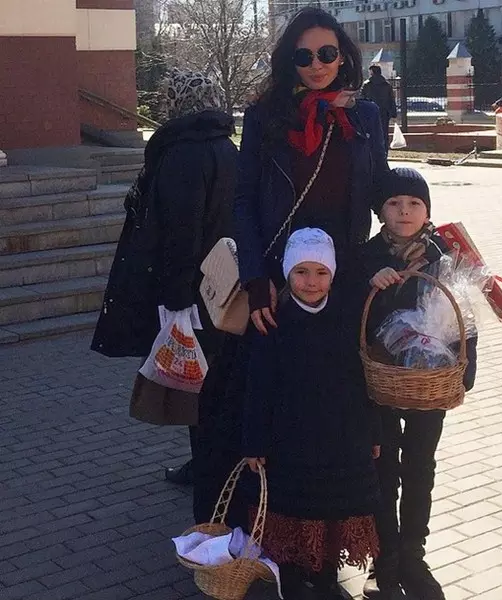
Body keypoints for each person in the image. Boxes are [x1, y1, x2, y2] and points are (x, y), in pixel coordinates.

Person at [91, 69, 239, 487]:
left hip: (191, 290)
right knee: (212, 383)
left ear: (175, 101)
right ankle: (211, 465)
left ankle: (211, 472)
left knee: (200, 386)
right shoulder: (226, 148)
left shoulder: (182, 153)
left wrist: (175, 299)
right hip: (221, 285)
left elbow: (181, 230)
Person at [358, 168, 478, 600]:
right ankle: (383, 559)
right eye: (394, 203)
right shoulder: (366, 257)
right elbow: (355, 319)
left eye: (414, 203)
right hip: (382, 383)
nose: (404, 211)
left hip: (431, 381)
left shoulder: (446, 253)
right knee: (383, 469)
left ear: (427, 209)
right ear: (380, 211)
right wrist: (371, 284)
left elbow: (465, 314)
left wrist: (464, 372)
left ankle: (414, 556)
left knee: (420, 468)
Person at [234, 6, 389, 338]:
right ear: (292, 62)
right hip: (280, 276)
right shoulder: (264, 117)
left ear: (343, 57)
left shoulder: (365, 116)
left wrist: (416, 225)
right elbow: (242, 199)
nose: (316, 65)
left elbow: (380, 189)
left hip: (344, 270)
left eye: (326, 53)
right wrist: (256, 278)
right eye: (304, 56)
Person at [243, 228, 381, 600]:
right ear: (287, 274)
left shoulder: (347, 316)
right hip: (290, 438)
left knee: (332, 511)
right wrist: (254, 441)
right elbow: (258, 388)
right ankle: (290, 579)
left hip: (340, 436)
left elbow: (360, 380)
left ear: (332, 275)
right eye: (301, 272)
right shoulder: (272, 322)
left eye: (321, 273)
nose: (311, 282)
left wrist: (372, 433)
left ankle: (325, 580)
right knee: (292, 512)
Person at [361, 65, 397, 155]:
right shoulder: (387, 85)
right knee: (384, 134)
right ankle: (384, 153)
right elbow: (391, 100)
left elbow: (362, 98)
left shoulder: (367, 84)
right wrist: (393, 113)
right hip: (384, 113)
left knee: (370, 133)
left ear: (372, 72)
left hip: (369, 113)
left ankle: (372, 153)